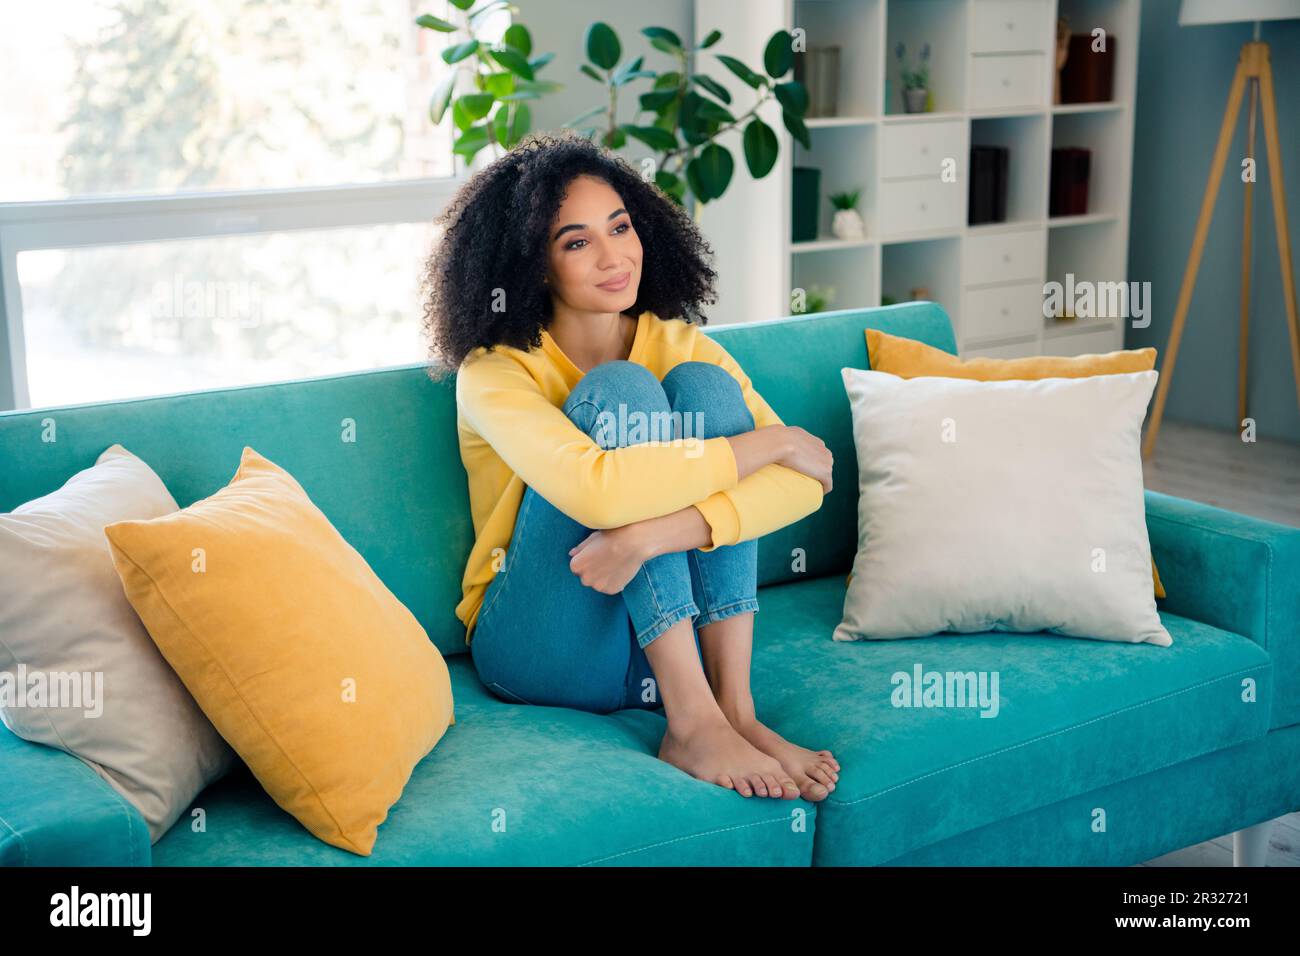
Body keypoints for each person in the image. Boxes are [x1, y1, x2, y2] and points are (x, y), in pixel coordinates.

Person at [422, 130, 839, 802]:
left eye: (620, 227)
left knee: (705, 390)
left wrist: (650, 537)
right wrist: (767, 443)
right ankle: (692, 721)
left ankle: (733, 709)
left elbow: (808, 485)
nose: (614, 256)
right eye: (577, 241)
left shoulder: (678, 344)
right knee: (621, 393)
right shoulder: (495, 372)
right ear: (533, 263)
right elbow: (600, 494)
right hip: (548, 648)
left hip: (659, 640)